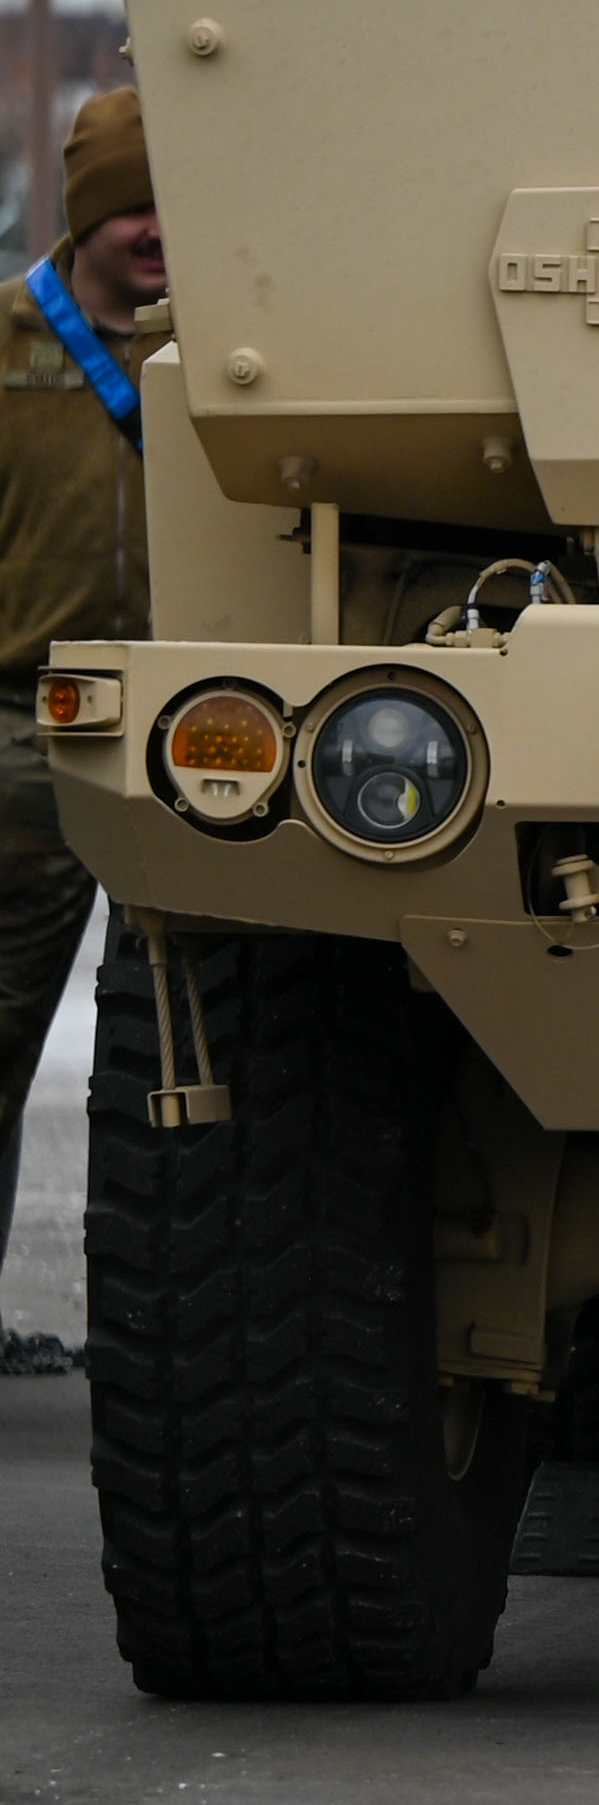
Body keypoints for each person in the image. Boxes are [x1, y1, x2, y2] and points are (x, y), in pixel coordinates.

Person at [0, 87, 156, 1369]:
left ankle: (178, 1338)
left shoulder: (232, 346)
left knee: (197, 1063)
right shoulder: (4, 342)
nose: (157, 232)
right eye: (131, 206)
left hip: (206, 744)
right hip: (23, 730)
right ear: (84, 212)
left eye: (177, 203)